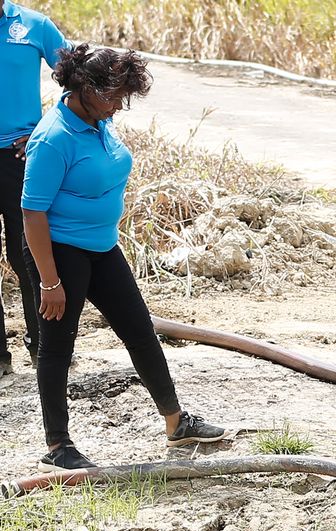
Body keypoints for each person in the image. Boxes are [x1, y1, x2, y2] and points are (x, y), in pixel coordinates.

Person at [21, 44, 225, 472]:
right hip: (60, 251)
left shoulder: (98, 121)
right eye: (112, 97)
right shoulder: (53, 137)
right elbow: (32, 212)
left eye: (123, 98)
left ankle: (176, 422)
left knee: (140, 331)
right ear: (84, 88)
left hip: (102, 247)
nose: (118, 107)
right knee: (57, 347)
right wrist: (50, 281)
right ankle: (57, 446)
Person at [0, 0, 71, 375]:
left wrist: (44, 131)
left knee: (26, 254)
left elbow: (79, 76)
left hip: (18, 157)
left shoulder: (33, 25)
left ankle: (42, 347)